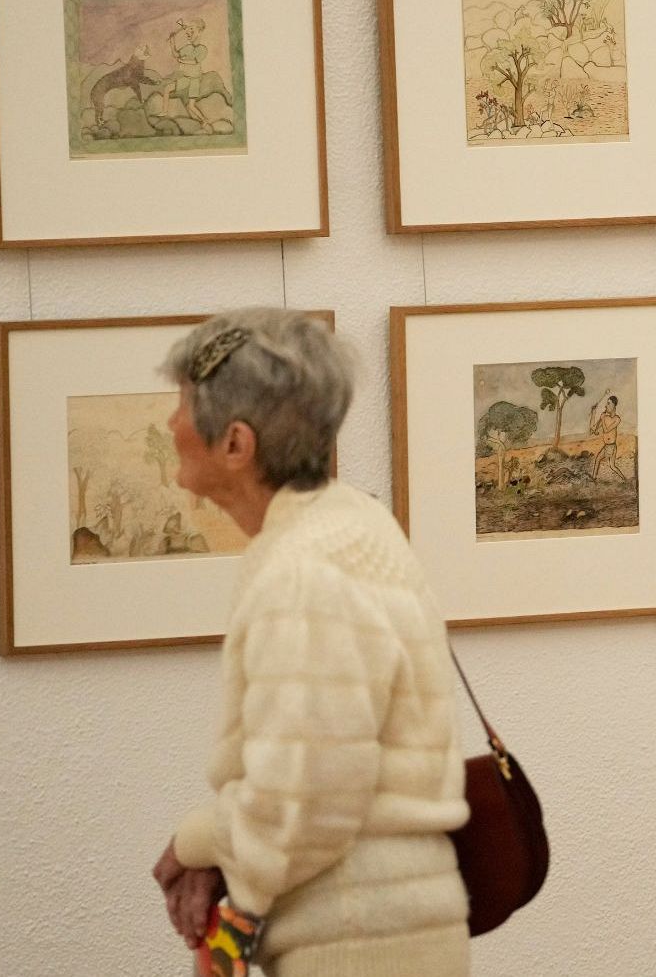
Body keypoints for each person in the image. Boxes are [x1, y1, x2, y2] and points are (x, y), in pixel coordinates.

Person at [148, 309, 473, 976]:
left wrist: (197, 846)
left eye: (180, 405)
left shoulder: (304, 567)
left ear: (235, 443)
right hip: (378, 932)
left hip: (358, 943)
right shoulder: (349, 523)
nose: (170, 424)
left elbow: (303, 799)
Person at [588, 394, 627, 482]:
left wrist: (602, 418)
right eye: (607, 404)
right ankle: (624, 479)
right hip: (608, 446)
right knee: (612, 465)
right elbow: (593, 430)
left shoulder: (617, 419)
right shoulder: (605, 417)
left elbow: (606, 430)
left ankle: (594, 478)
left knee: (599, 460)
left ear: (614, 405)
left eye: (608, 403)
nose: (606, 406)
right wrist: (593, 414)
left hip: (611, 447)